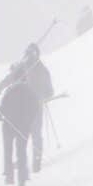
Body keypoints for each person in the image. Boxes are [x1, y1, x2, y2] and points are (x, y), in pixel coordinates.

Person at [0, 61, 39, 186]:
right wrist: (29, 121)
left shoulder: (10, 91)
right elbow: (36, 107)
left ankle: (9, 176)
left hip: (8, 126)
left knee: (8, 151)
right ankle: (22, 179)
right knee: (21, 151)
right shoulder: (31, 92)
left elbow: (2, 109)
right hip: (24, 127)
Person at [20, 43, 55, 171]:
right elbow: (50, 91)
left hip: (24, 106)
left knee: (23, 133)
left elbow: (14, 85)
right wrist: (45, 95)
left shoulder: (23, 68)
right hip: (37, 105)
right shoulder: (43, 70)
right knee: (36, 133)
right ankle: (36, 161)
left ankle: (22, 160)